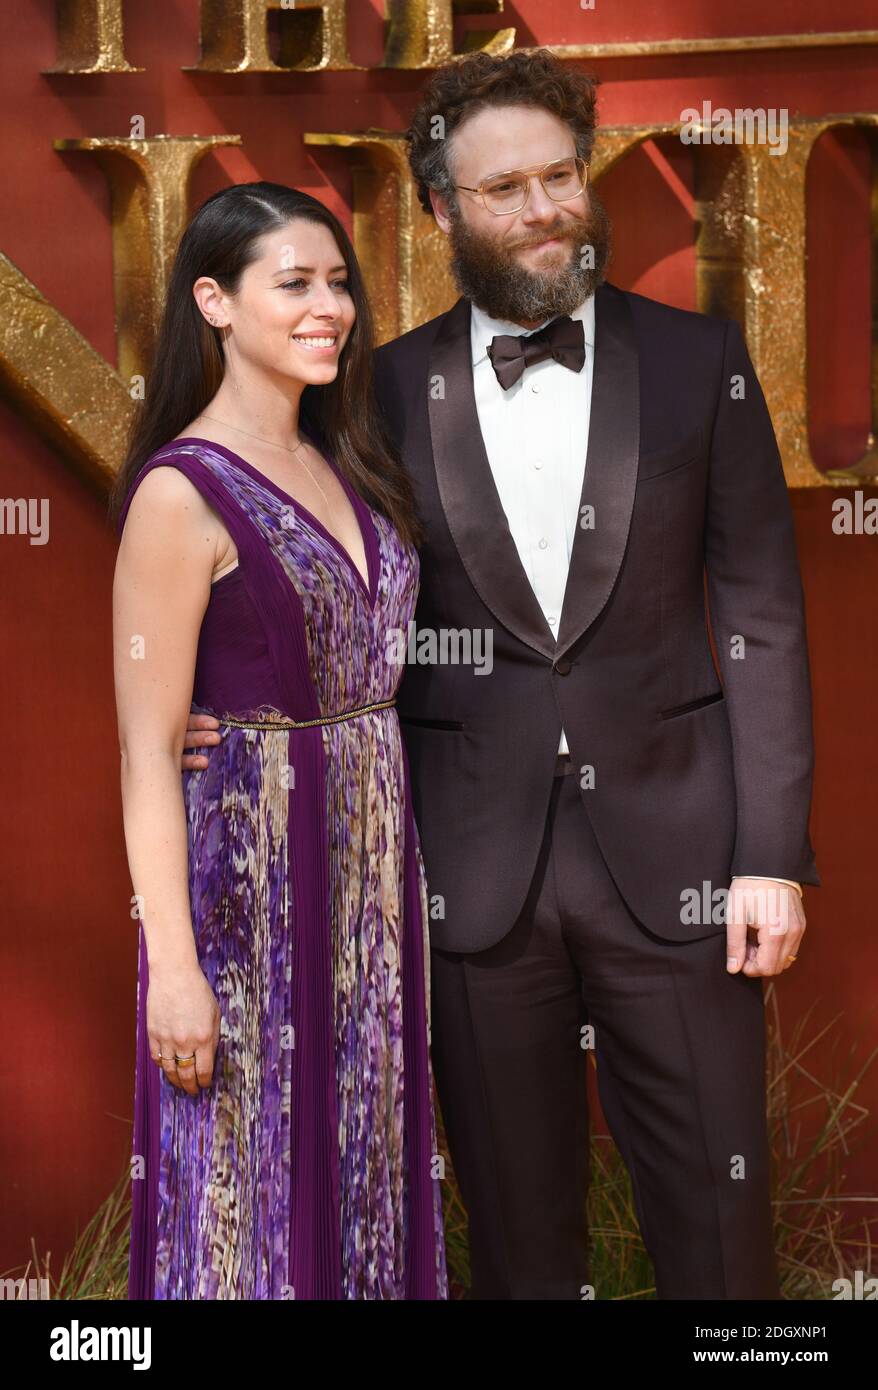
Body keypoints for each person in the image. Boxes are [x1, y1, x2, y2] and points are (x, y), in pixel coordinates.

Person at [181, 50, 819, 1300]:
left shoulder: (703, 363)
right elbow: (292, 567)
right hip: (464, 880)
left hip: (683, 866)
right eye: (503, 189)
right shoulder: (370, 394)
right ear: (436, 215)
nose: (543, 210)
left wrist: (768, 856)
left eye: (560, 177)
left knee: (718, 1227)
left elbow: (761, 616)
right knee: (518, 1241)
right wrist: (227, 716)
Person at [112, 181, 448, 1300]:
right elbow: (149, 756)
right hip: (244, 894)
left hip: (371, 891)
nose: (329, 307)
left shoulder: (349, 456)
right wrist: (173, 971)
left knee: (363, 1186)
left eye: (338, 282)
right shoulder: (181, 491)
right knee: (243, 1208)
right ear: (212, 300)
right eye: (292, 283)